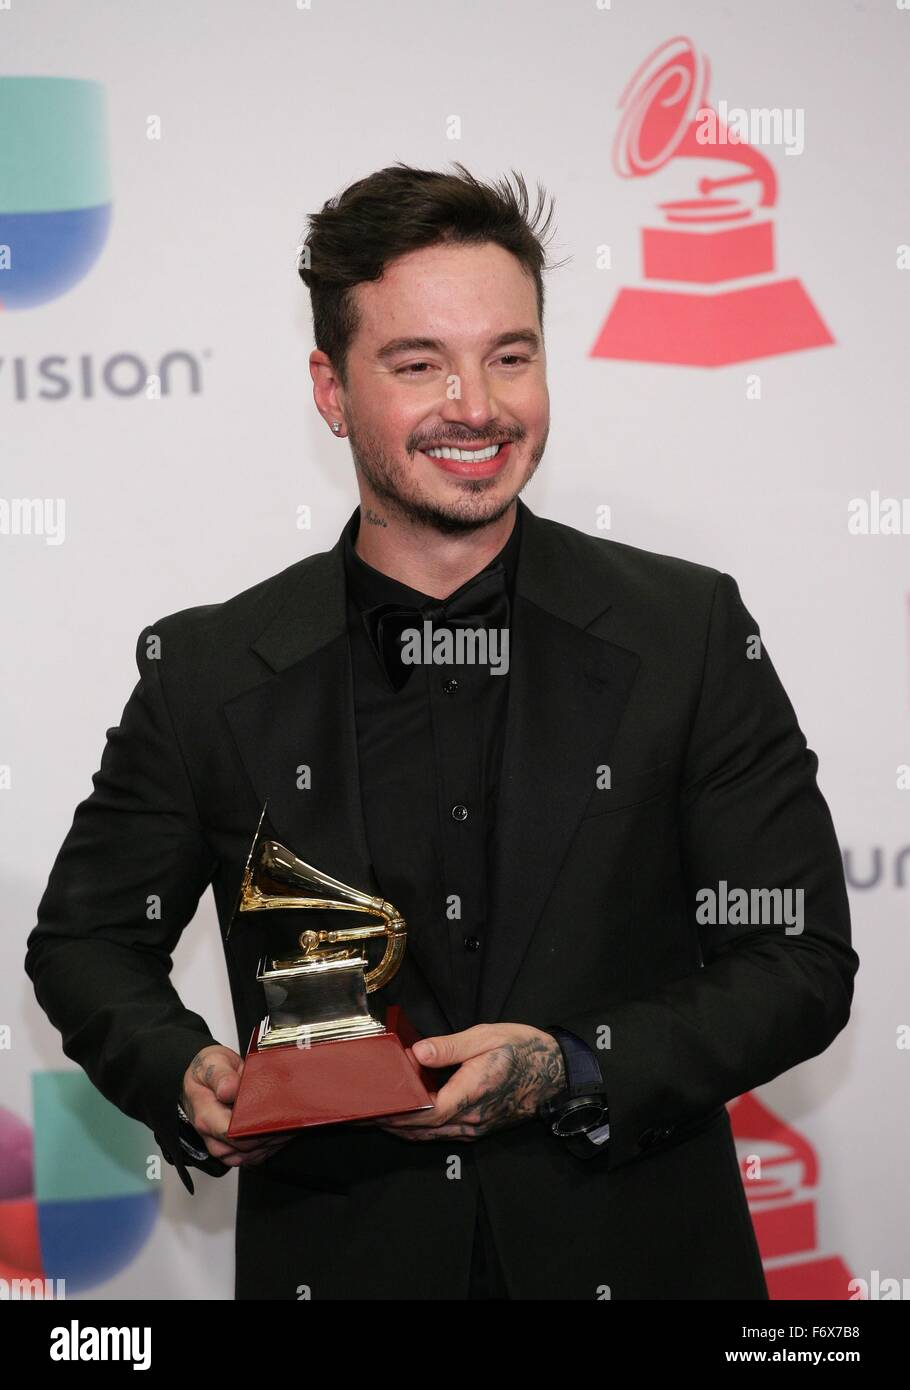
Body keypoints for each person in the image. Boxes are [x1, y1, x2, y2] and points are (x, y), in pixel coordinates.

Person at [25, 162, 858, 1300]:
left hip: (639, 1258)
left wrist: (566, 1067)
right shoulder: (207, 672)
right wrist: (188, 1074)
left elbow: (798, 960)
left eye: (509, 355)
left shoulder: (686, 629)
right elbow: (86, 944)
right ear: (330, 388)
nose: (477, 404)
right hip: (342, 1262)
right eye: (419, 364)